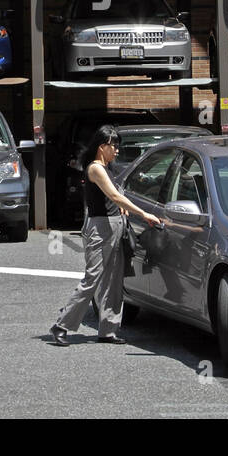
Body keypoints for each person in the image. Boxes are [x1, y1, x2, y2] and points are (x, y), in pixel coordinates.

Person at [49, 125, 164, 346]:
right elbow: (114, 196)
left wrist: (122, 209)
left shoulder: (108, 167)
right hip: (100, 228)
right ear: (102, 146)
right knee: (92, 279)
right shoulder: (95, 168)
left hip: (115, 226)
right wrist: (143, 213)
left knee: (114, 279)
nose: (117, 150)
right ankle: (61, 325)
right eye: (114, 146)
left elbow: (115, 197)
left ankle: (108, 329)